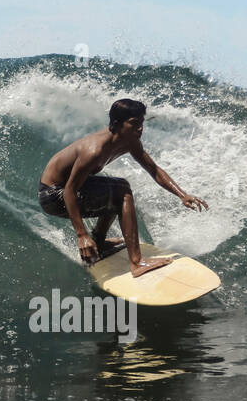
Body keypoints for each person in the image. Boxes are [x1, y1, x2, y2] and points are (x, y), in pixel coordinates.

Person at [39, 98, 207, 277]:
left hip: (69, 189)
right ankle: (136, 262)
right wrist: (82, 235)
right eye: (134, 124)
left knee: (115, 188)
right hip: (53, 195)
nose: (140, 128)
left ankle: (100, 242)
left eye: (141, 123)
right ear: (117, 124)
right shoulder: (94, 150)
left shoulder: (130, 140)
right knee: (121, 190)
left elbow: (154, 169)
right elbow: (69, 191)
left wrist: (182, 195)